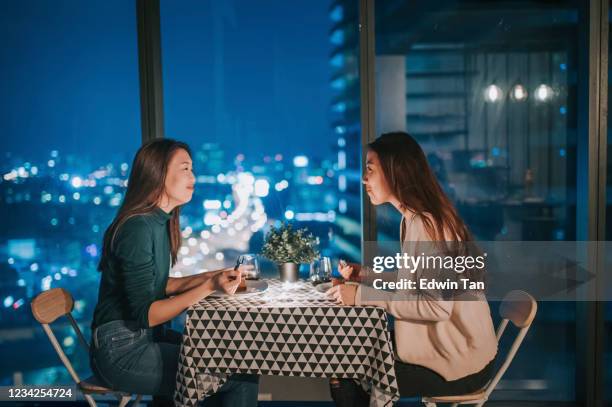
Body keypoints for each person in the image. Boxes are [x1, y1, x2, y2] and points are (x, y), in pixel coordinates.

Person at [326, 132, 498, 405]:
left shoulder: (426, 226)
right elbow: (417, 282)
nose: (363, 179)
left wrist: (361, 295)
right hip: (456, 347)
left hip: (461, 361)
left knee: (346, 369)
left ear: (396, 172)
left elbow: (436, 306)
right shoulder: (416, 219)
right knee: (351, 357)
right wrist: (368, 275)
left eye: (369, 169)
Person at [90, 139, 259, 407]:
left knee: (228, 358)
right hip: (121, 350)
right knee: (240, 376)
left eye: (192, 169)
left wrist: (212, 276)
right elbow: (147, 314)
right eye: (185, 168)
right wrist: (209, 286)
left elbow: (160, 284)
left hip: (142, 339)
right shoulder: (138, 228)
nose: (193, 176)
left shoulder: (158, 221)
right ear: (158, 173)